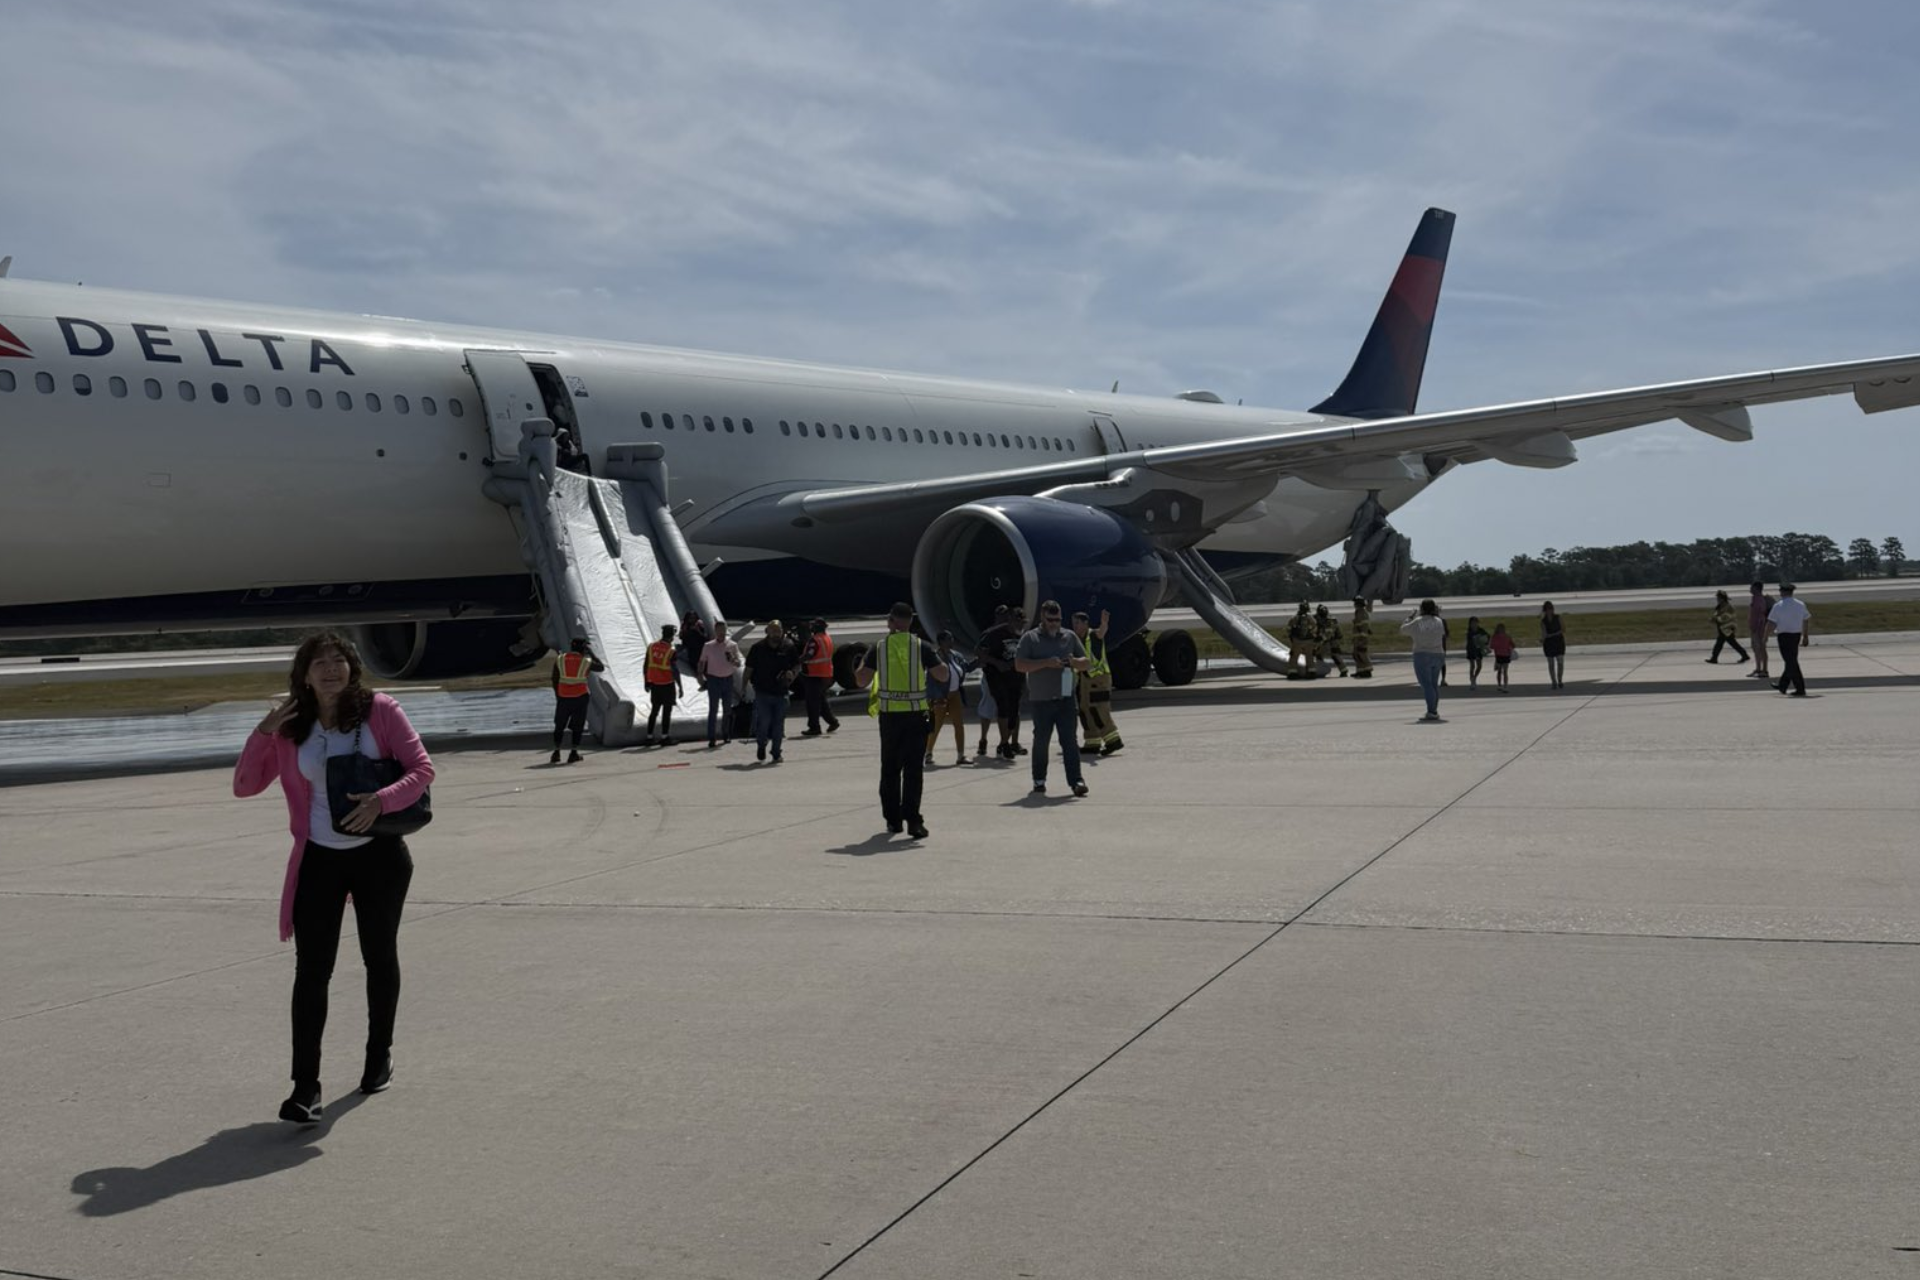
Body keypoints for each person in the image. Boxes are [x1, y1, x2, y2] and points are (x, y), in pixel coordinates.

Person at [232, 632, 434, 1124]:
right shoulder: (290, 727)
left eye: (338, 660)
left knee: (379, 957)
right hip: (319, 860)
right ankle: (305, 1088)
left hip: (379, 856)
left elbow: (422, 770)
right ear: (303, 675)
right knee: (311, 972)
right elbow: (244, 786)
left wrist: (379, 801)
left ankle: (378, 1054)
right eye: (318, 662)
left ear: (352, 667)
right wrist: (262, 731)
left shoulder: (380, 710)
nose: (329, 669)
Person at [855, 602, 948, 836]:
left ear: (891, 621)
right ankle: (913, 821)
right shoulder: (921, 647)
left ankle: (893, 820)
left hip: (890, 719)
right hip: (916, 716)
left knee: (890, 771)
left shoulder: (879, 648)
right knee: (914, 771)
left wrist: (861, 665)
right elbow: (943, 674)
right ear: (911, 622)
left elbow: (861, 681)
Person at [1015, 600, 1091, 796]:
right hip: (1042, 700)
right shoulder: (1030, 639)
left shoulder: (1069, 636)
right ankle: (1039, 779)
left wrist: (1074, 661)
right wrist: (1045, 663)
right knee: (1041, 741)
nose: (1054, 624)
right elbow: (1020, 665)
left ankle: (1076, 781)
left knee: (1069, 741)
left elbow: (1086, 663)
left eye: (1057, 620)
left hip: (1066, 698)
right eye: (1050, 620)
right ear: (1042, 617)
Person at [744, 620, 801, 760]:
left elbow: (797, 665)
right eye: (773, 630)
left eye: (778, 630)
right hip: (763, 692)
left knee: (778, 725)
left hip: (781, 693)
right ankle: (761, 745)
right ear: (767, 632)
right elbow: (748, 670)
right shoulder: (757, 648)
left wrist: (792, 675)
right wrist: (743, 687)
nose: (776, 633)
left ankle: (776, 752)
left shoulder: (789, 646)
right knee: (763, 722)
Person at [975, 604, 1027, 759]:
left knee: (1014, 709)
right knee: (1003, 706)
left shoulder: (1023, 635)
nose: (1020, 626)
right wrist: (997, 663)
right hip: (997, 676)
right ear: (1010, 621)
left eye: (1022, 623)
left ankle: (1009, 742)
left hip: (1016, 676)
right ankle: (1004, 743)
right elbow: (978, 651)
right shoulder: (993, 634)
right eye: (1018, 623)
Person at [1072, 609, 1124, 755]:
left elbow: (1102, 632)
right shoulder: (1075, 639)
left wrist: (1104, 624)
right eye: (1073, 623)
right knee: (1085, 710)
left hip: (1098, 678)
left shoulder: (1093, 635)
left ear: (1085, 623)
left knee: (1099, 710)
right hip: (1084, 680)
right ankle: (1092, 742)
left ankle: (1113, 740)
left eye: (1077, 623)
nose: (1074, 626)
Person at [549, 637, 603, 763]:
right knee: (578, 726)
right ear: (584, 648)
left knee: (559, 725)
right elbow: (600, 667)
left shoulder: (560, 659)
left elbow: (554, 678)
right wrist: (591, 653)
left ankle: (556, 752)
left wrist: (558, 694)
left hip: (563, 697)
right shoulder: (586, 661)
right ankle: (573, 752)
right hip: (580, 697)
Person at [925, 629, 972, 767]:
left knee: (959, 724)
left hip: (955, 694)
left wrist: (979, 660)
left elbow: (966, 668)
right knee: (935, 725)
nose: (952, 641)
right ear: (941, 642)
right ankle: (928, 752)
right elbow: (931, 680)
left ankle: (960, 755)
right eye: (949, 639)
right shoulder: (935, 658)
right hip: (941, 696)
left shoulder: (956, 655)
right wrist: (937, 698)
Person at [696, 618, 743, 748]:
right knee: (713, 709)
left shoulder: (732, 645)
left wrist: (732, 659)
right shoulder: (708, 646)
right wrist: (700, 676)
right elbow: (702, 661)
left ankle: (726, 734)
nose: (721, 633)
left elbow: (739, 663)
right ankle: (712, 737)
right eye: (719, 630)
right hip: (713, 679)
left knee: (727, 709)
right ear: (716, 631)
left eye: (723, 630)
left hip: (727, 679)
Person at [1401, 599, 1447, 721]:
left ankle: (1431, 711)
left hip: (1422, 654)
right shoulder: (1439, 621)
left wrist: (1409, 617)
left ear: (1421, 608)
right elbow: (1441, 634)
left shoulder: (1417, 621)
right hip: (1438, 653)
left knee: (1426, 685)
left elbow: (1403, 630)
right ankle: (1434, 710)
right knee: (1433, 684)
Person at [1767, 583, 1812, 696]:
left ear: (1784, 592)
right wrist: (1805, 636)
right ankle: (1783, 685)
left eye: (1780, 590)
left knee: (1791, 662)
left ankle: (1800, 688)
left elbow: (1771, 622)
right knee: (1790, 661)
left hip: (1783, 636)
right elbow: (1806, 620)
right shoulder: (1800, 604)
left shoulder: (1778, 605)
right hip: (1795, 635)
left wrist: (1765, 636)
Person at [798, 617, 841, 737]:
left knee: (812, 703)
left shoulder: (815, 640)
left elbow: (809, 655)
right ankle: (833, 722)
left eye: (812, 626)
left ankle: (814, 727)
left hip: (814, 675)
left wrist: (796, 661)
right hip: (825, 674)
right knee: (821, 701)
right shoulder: (826, 638)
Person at [642, 624, 683, 746]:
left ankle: (649, 737)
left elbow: (646, 665)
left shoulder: (651, 647)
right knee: (666, 712)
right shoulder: (671, 651)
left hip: (654, 684)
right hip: (667, 684)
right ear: (671, 637)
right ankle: (665, 737)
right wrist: (680, 686)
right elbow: (675, 671)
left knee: (654, 711)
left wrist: (646, 682)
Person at [1707, 591, 1750, 665]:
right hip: (1722, 628)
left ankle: (1714, 658)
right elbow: (1716, 615)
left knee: (1722, 643)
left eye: (1719, 598)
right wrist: (1714, 619)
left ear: (1723, 598)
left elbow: (1726, 617)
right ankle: (1744, 655)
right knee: (1728, 643)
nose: (1717, 599)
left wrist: (1716, 619)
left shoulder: (1729, 607)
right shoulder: (1720, 607)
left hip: (1728, 629)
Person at [1313, 604, 1350, 677]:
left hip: (1329, 641)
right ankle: (1343, 670)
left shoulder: (1330, 621)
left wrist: (1319, 641)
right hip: (1333, 640)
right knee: (1335, 655)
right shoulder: (1331, 619)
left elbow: (1328, 633)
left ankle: (1321, 670)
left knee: (1319, 654)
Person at [1747, 581, 1774, 680]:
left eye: (1751, 587)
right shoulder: (1754, 599)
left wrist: (1757, 627)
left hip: (1759, 628)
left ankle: (1765, 670)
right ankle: (1758, 668)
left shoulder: (1760, 599)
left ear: (1756, 588)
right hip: (1754, 628)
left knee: (1762, 648)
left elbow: (1761, 614)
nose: (1750, 589)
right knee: (1755, 648)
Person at [1284, 602, 1317, 678]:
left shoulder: (1294, 618)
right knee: (1309, 656)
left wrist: (1292, 637)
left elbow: (1288, 628)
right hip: (1309, 641)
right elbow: (1315, 627)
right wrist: (1312, 636)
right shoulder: (1310, 618)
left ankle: (1292, 673)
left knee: (1294, 656)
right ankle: (1311, 672)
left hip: (1297, 641)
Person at [1539, 602, 1567, 690]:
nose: (1549, 610)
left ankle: (1560, 680)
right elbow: (1544, 633)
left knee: (1560, 662)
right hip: (1549, 643)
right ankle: (1553, 681)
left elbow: (1563, 629)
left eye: (1550, 608)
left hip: (1558, 641)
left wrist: (1552, 635)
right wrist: (1542, 639)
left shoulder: (1558, 617)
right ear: (1545, 610)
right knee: (1551, 664)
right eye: (1547, 609)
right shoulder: (1543, 621)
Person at [1464, 616, 1490, 689]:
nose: (1474, 624)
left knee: (1479, 666)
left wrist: (1485, 644)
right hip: (1471, 650)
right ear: (1470, 624)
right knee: (1472, 666)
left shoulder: (1481, 630)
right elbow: (1471, 641)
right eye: (1472, 623)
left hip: (1478, 650)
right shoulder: (1469, 632)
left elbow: (1487, 636)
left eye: (1476, 622)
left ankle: (1474, 677)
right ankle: (1472, 681)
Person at [1489, 622, 1515, 692]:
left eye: (1502, 628)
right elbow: (1492, 646)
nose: (1501, 630)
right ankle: (1500, 685)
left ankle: (1505, 686)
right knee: (1500, 671)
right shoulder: (1495, 636)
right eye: (1500, 628)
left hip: (1505, 655)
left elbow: (1512, 644)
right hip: (1499, 655)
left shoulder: (1506, 636)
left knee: (1504, 671)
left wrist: (1510, 646)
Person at [1350, 598, 1373, 678]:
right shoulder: (1358, 612)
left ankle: (1368, 671)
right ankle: (1360, 671)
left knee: (1362, 654)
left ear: (1358, 604)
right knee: (1356, 654)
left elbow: (1364, 627)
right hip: (1357, 638)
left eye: (1355, 603)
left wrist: (1362, 638)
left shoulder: (1362, 613)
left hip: (1361, 637)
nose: (1354, 605)